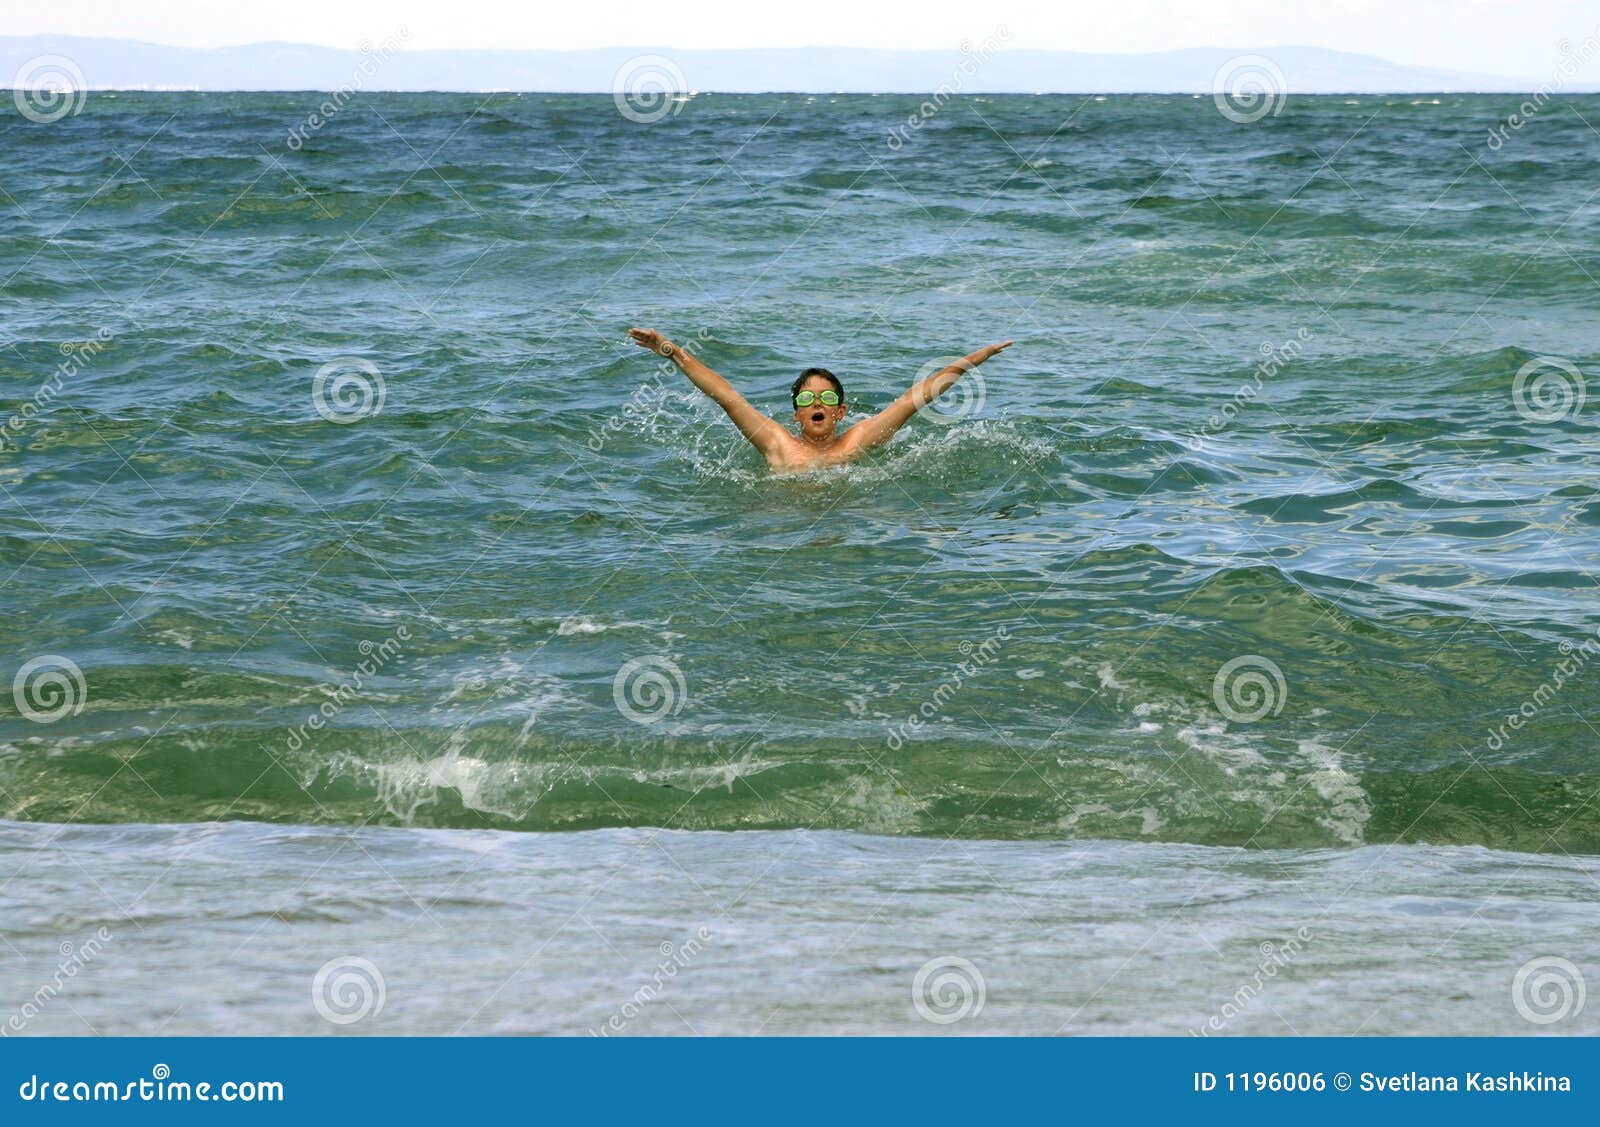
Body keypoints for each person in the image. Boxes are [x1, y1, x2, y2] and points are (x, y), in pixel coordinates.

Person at [626, 328, 1013, 472]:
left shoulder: (857, 440)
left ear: (840, 411)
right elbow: (726, 397)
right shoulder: (777, 445)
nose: (818, 403)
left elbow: (915, 399)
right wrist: (672, 351)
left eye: (827, 397)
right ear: (796, 414)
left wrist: (973, 360)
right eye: (808, 398)